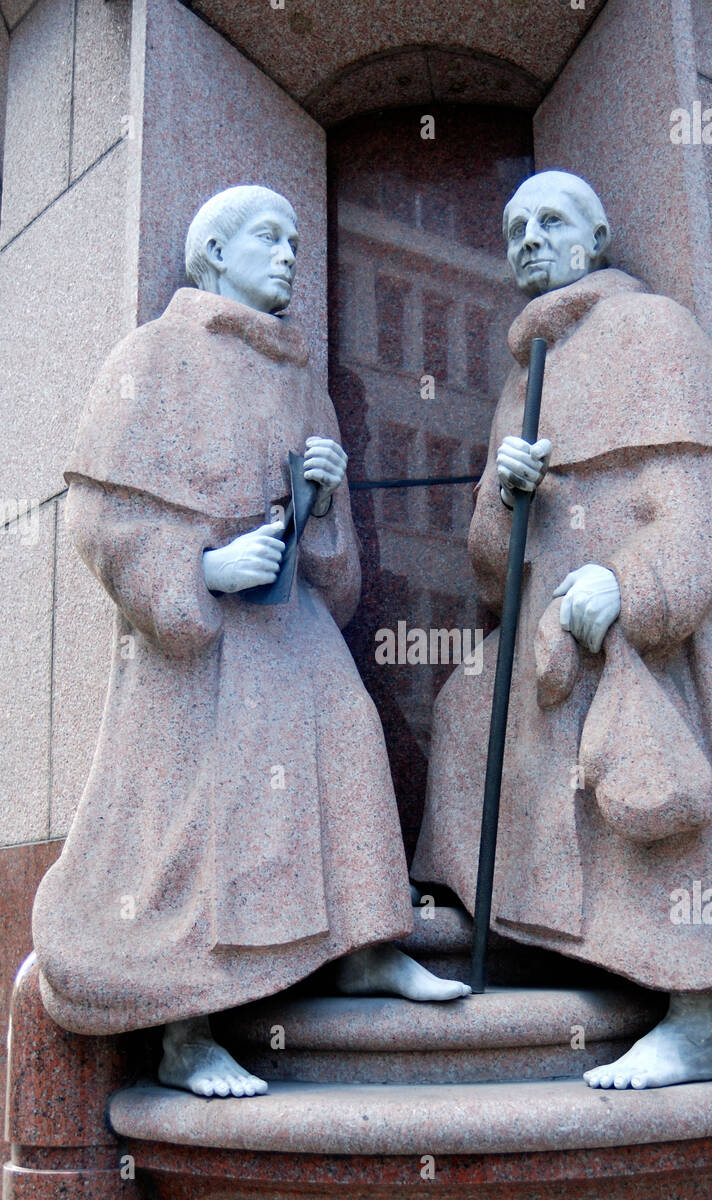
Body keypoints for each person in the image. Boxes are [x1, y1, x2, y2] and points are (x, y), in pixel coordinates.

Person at [32, 185, 468, 1100]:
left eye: (297, 244)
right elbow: (103, 518)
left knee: (351, 732)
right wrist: (198, 570)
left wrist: (321, 505)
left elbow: (337, 581)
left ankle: (364, 946)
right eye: (268, 240)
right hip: (200, 644)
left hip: (291, 628)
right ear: (211, 255)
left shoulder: (300, 380)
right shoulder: (153, 355)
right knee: (186, 819)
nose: (288, 258)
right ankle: (186, 1032)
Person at [411, 171, 712, 1090]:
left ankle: (693, 1015)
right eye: (513, 227)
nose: (528, 238)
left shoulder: (656, 331)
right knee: (466, 708)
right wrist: (505, 493)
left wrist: (630, 586)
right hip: (539, 635)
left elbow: (703, 505)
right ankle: (510, 927)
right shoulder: (521, 373)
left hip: (627, 628)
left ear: (599, 236)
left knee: (655, 769)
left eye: (550, 222)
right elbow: (491, 571)